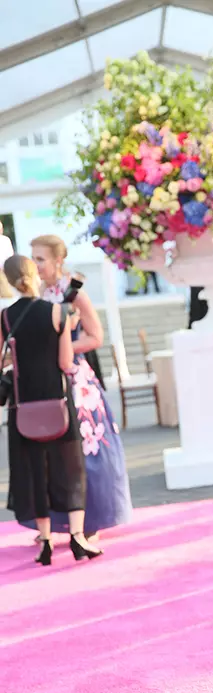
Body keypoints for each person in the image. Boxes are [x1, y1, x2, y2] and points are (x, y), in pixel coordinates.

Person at [1, 255, 102, 565]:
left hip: (23, 404)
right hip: (56, 399)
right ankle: (77, 537)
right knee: (69, 469)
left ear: (8, 279)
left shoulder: (5, 317)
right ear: (34, 275)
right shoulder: (57, 311)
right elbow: (64, 363)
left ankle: (44, 541)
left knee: (34, 470)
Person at [31, 235, 132, 536]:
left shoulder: (75, 296)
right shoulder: (38, 294)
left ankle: (93, 519)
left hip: (77, 382)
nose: (36, 265)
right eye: (33, 258)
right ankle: (58, 521)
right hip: (48, 380)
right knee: (51, 450)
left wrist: (62, 347)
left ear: (58, 261)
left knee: (87, 449)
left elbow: (96, 337)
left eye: (40, 259)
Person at [0, 221, 14, 299]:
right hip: (4, 269)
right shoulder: (5, 240)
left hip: (4, 270)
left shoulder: (5, 240)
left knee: (6, 294)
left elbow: (10, 256)